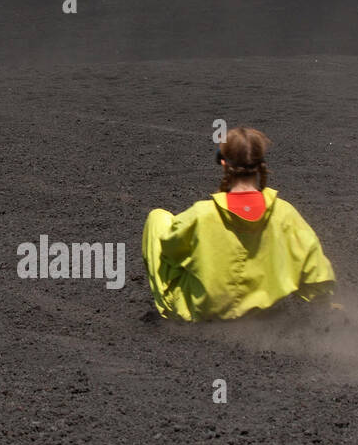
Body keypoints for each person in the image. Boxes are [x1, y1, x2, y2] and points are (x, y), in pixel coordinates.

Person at [141, 126, 336, 322]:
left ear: (224, 164)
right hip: (263, 314)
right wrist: (323, 307)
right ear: (260, 166)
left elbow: (170, 250)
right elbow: (316, 271)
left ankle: (171, 313)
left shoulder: (202, 214)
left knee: (158, 218)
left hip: (202, 312)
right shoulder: (285, 213)